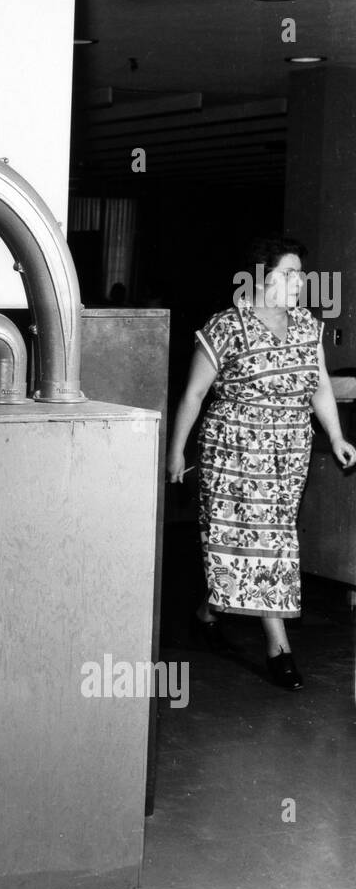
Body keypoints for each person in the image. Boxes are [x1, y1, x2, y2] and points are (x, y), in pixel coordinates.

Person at [167, 237, 356, 690]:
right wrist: (176, 450)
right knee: (260, 543)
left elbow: (320, 387)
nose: (300, 282)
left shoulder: (308, 326)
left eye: (300, 274)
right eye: (290, 273)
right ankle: (279, 647)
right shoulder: (225, 327)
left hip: (288, 454)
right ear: (260, 277)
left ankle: (207, 612)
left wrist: (336, 435)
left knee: (265, 542)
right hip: (234, 453)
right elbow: (194, 393)